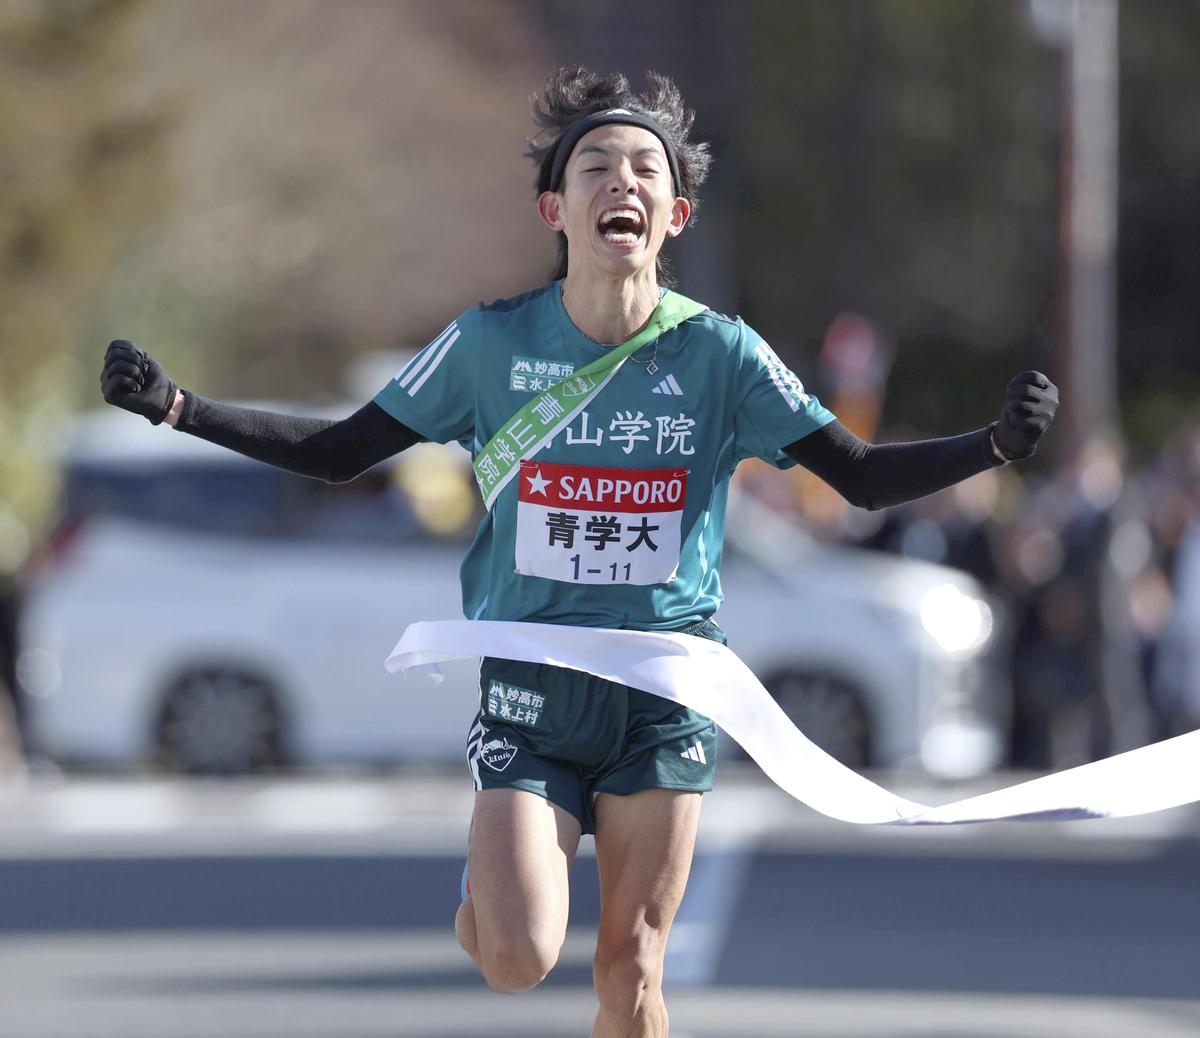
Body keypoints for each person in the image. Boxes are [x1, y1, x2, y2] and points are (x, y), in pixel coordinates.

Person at [100, 67, 1058, 1038]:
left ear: (675, 214)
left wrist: (992, 447)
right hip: (534, 688)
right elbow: (343, 451)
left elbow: (853, 475)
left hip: (665, 689)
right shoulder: (488, 344)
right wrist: (181, 408)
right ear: (556, 207)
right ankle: (490, 882)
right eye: (596, 165)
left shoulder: (721, 354)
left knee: (632, 967)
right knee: (515, 958)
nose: (623, 182)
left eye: (646, 168)